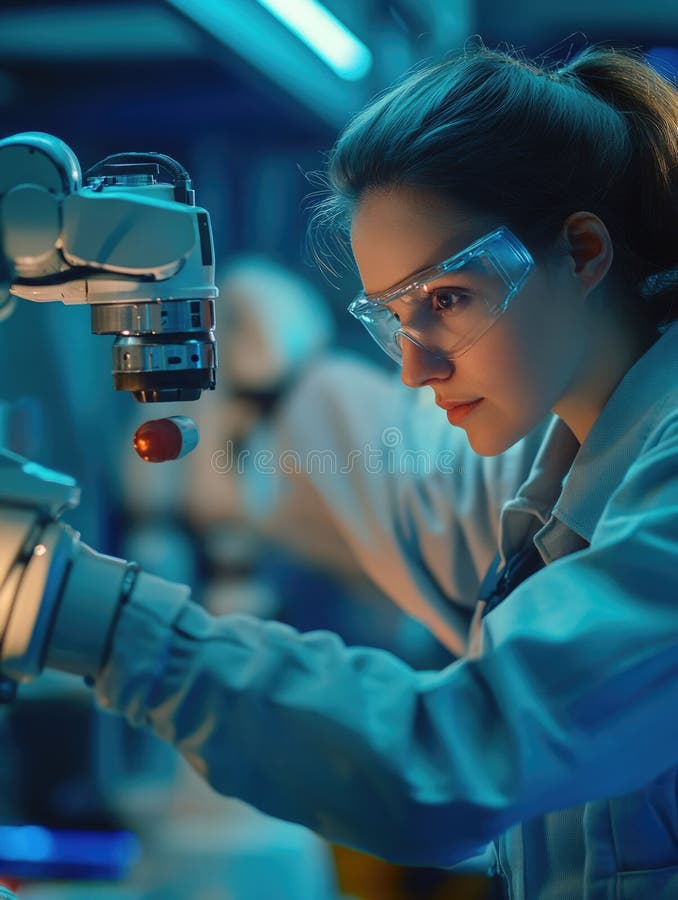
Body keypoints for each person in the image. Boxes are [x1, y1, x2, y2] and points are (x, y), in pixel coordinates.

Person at [4, 44, 678, 899]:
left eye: (447, 298)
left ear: (583, 252)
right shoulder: (570, 458)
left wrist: (73, 609)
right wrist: (275, 389)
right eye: (395, 316)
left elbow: (454, 763)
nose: (415, 366)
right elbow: (415, 488)